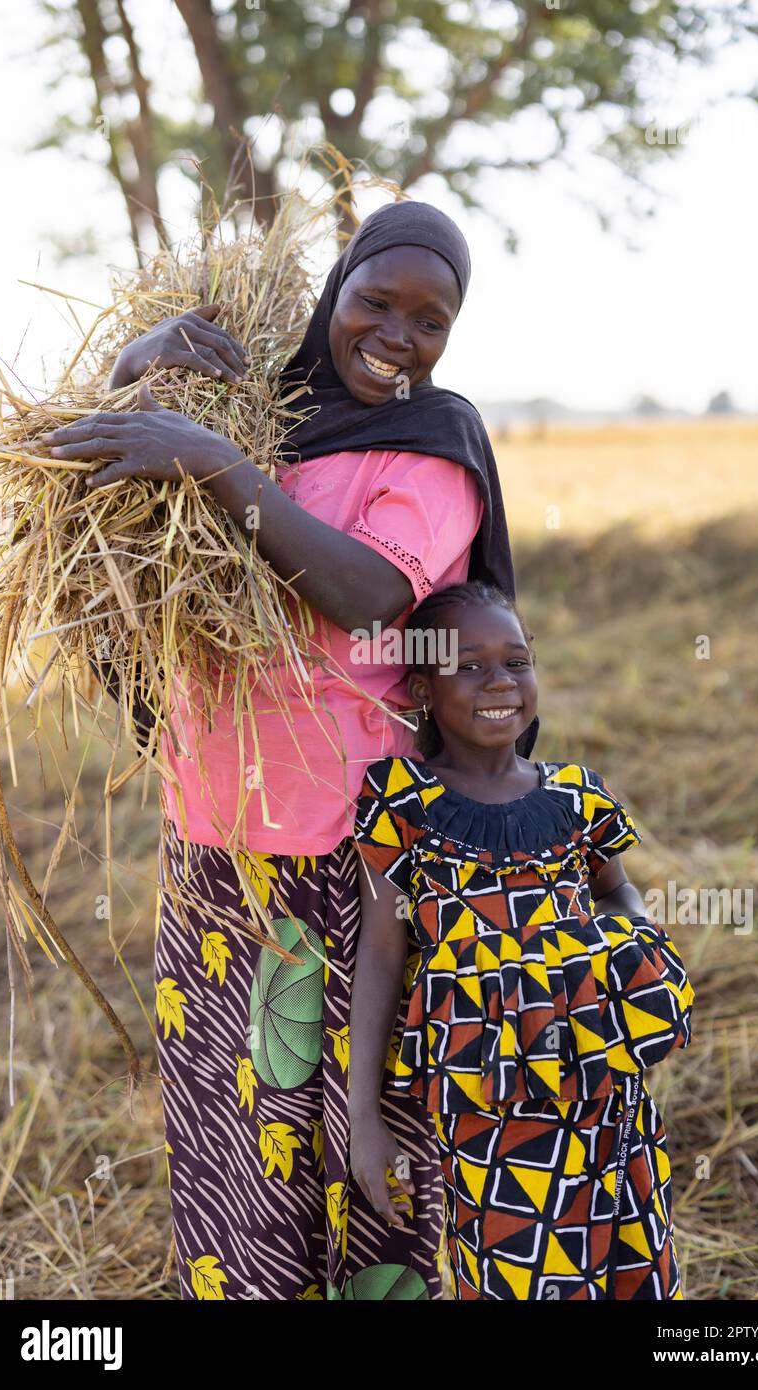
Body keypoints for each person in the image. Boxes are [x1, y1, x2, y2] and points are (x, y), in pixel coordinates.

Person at [41, 200, 536, 1300]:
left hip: (344, 852)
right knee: (231, 1110)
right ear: (334, 291)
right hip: (210, 831)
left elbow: (366, 596)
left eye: (431, 319)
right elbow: (83, 483)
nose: (397, 337)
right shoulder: (267, 411)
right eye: (375, 301)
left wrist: (214, 460)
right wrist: (140, 364)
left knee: (345, 1127)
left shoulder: (435, 444)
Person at [349, 580, 696, 1300]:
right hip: (488, 1101)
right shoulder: (401, 802)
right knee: (518, 1270)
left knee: (626, 1257)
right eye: (468, 667)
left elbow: (617, 890)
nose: (498, 682)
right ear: (421, 689)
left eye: (515, 661)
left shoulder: (576, 796)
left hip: (603, 1087)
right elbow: (382, 956)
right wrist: (361, 1120)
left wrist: (625, 939)